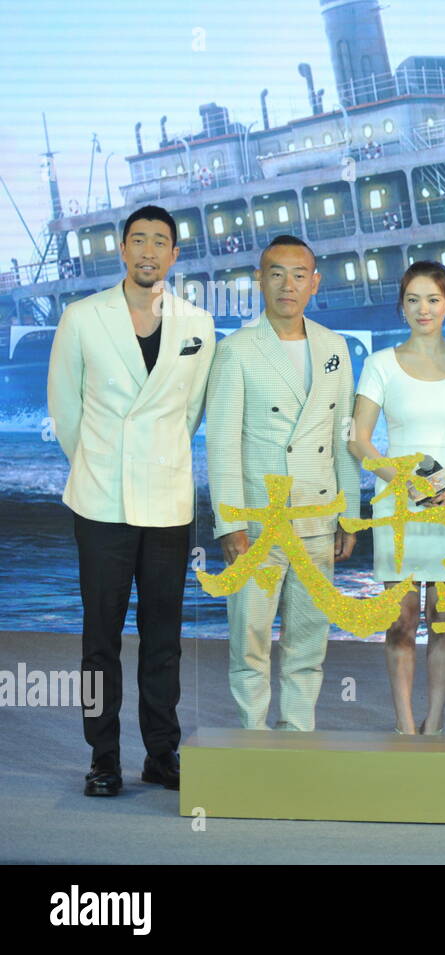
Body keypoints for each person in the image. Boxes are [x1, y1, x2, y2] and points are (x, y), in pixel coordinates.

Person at [47, 204, 215, 795]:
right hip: (101, 501)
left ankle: (161, 754)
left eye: (160, 242)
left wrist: (155, 459)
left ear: (173, 254)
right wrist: (100, 465)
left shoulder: (198, 323)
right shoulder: (82, 317)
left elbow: (190, 413)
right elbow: (66, 412)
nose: (148, 251)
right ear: (122, 250)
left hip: (168, 500)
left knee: (164, 638)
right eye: (138, 240)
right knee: (100, 639)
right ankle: (103, 757)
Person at [205, 234, 361, 731]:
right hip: (257, 521)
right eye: (276, 273)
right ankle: (252, 735)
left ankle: (299, 737)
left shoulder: (334, 347)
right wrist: (229, 520)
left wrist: (350, 514)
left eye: (298, 274)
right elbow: (223, 442)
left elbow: (344, 438)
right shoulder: (237, 351)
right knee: (249, 638)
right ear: (260, 279)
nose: (287, 285)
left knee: (309, 639)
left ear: (314, 283)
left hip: (317, 516)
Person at [348, 262, 445, 735]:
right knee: (401, 620)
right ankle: (406, 726)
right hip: (398, 502)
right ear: (401, 306)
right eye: (413, 299)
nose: (423, 309)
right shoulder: (380, 364)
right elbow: (358, 441)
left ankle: (436, 723)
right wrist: (406, 480)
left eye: (432, 299)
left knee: (444, 617)